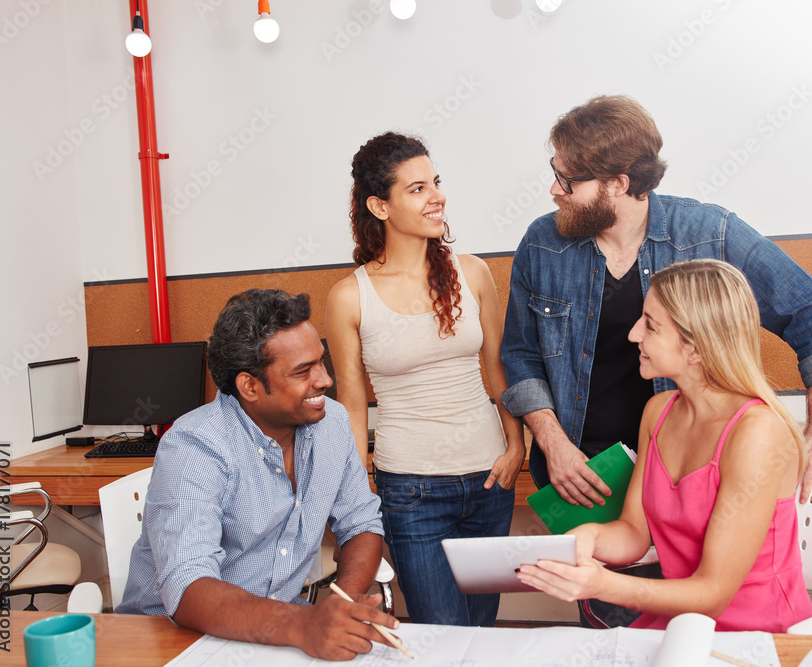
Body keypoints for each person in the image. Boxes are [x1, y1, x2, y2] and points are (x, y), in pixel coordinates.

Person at [501, 95, 812, 511]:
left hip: (695, 472)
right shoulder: (542, 243)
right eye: (555, 174)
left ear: (618, 183)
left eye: (568, 181)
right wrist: (552, 443)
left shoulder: (711, 234)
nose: (554, 190)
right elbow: (521, 355)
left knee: (695, 577)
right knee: (592, 575)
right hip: (581, 476)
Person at [517, 259, 812, 632]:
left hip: (755, 632)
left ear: (694, 348)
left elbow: (714, 593)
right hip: (682, 623)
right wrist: (588, 537)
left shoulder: (757, 432)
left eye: (650, 326)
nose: (633, 334)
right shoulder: (658, 411)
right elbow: (633, 532)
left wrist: (602, 584)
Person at [117, 289, 398, 662]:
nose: (324, 380)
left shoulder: (332, 423)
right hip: (174, 643)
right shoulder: (194, 447)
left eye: (320, 361)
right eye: (303, 371)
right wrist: (304, 624)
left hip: (274, 633)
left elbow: (361, 523)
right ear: (250, 386)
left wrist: (343, 605)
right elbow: (188, 589)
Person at [324, 132, 525, 627]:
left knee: (480, 629)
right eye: (416, 189)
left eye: (435, 183)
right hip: (409, 488)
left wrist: (515, 444)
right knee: (442, 634)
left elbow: (498, 370)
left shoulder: (474, 274)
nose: (436, 197)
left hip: (489, 477)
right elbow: (351, 404)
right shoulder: (350, 297)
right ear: (379, 205)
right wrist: (358, 491)